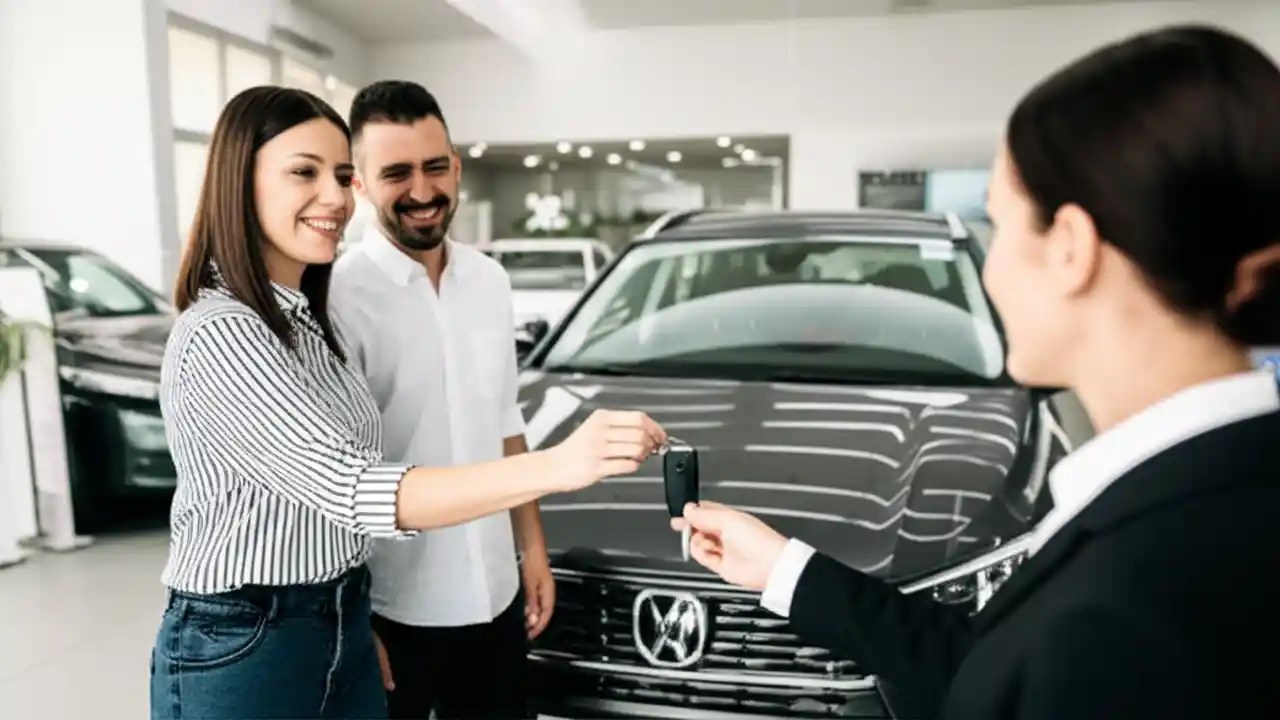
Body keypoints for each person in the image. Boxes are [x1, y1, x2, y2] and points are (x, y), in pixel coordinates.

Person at [675, 25, 1280, 720]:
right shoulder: (1203, 501)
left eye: (997, 226)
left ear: (1071, 249)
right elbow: (992, 673)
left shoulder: (1138, 601)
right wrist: (784, 570)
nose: (991, 270)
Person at [149, 86, 665, 720]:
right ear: (240, 183)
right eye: (304, 173)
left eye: (338, 175)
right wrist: (565, 464)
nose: (333, 197)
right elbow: (353, 487)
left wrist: (525, 546)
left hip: (340, 615)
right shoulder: (226, 332)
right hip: (255, 634)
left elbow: (492, 421)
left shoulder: (304, 319)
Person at [327, 80, 543, 719]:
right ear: (359, 185)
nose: (423, 192)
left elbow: (505, 422)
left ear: (457, 165)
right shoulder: (339, 297)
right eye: (396, 173)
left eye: (436, 166)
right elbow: (334, 476)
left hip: (497, 596)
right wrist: (352, 616)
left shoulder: (490, 279)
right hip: (396, 609)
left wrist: (532, 547)